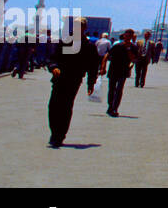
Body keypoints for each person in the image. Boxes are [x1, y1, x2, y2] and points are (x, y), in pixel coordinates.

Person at [46, 17, 96, 147]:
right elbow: (52, 58)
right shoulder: (64, 42)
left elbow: (92, 67)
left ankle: (59, 136)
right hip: (59, 78)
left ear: (84, 28)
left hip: (74, 79)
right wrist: (54, 67)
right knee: (53, 106)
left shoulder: (89, 46)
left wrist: (91, 84)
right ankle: (54, 132)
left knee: (66, 106)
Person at [104, 29, 138, 116]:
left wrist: (128, 49)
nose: (128, 37)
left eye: (130, 36)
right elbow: (107, 55)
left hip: (123, 71)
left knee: (119, 90)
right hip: (113, 70)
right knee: (111, 89)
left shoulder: (133, 47)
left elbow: (133, 59)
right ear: (124, 36)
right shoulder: (117, 45)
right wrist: (103, 67)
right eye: (127, 35)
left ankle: (115, 108)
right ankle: (110, 106)